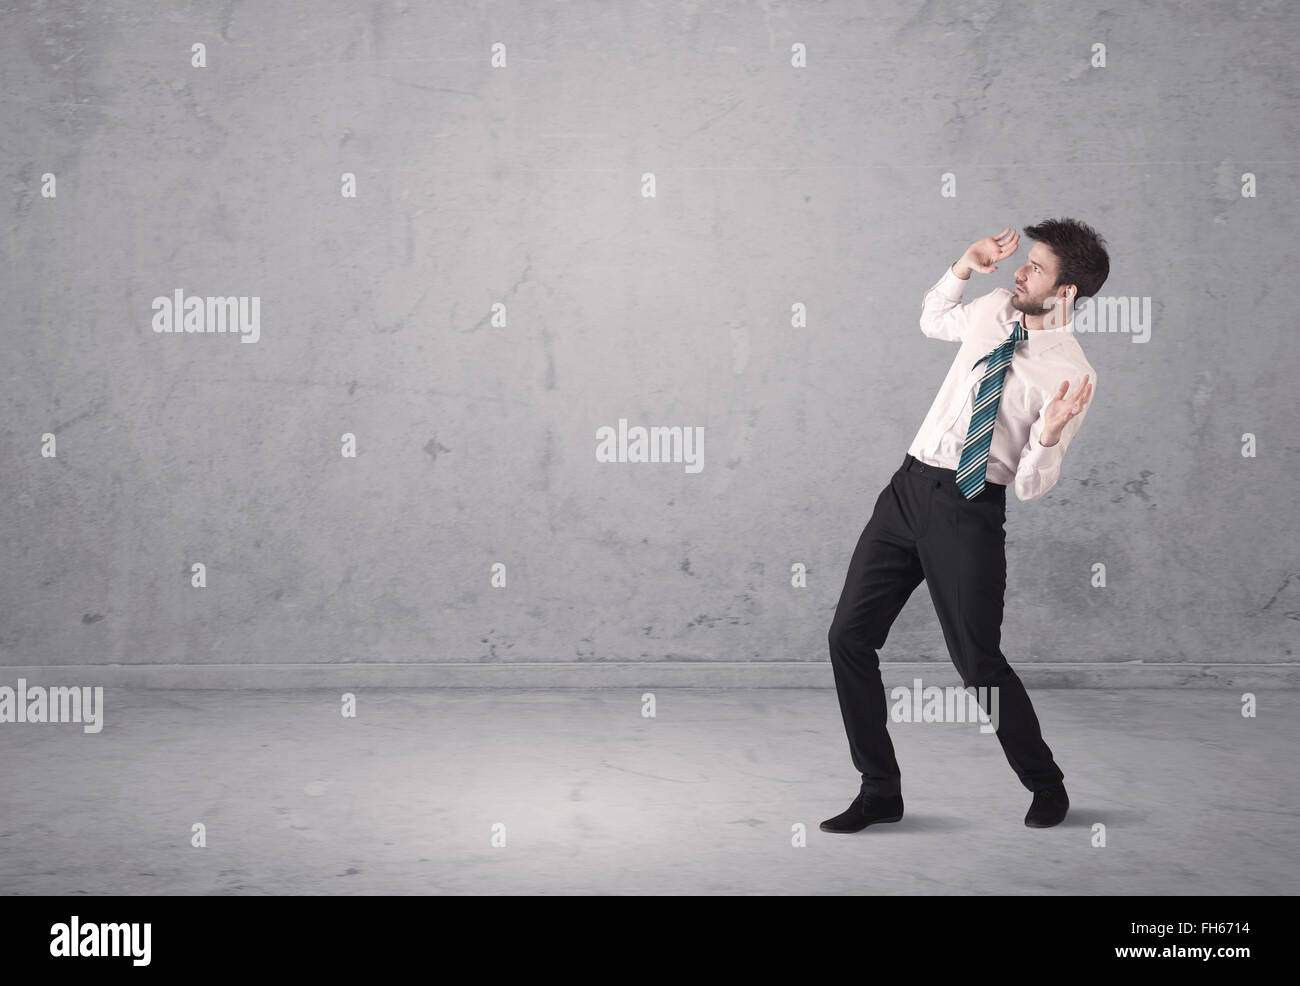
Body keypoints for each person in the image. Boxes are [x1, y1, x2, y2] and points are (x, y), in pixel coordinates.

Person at [822, 220, 1109, 833]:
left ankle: (1046, 784)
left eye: (1035, 268)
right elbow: (932, 319)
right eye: (1024, 261)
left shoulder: (1071, 373)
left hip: (970, 507)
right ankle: (880, 791)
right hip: (907, 489)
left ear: (1066, 294)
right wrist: (961, 265)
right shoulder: (993, 308)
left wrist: (1051, 437)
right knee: (848, 636)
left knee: (978, 662)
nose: (1019, 272)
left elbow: (1030, 486)